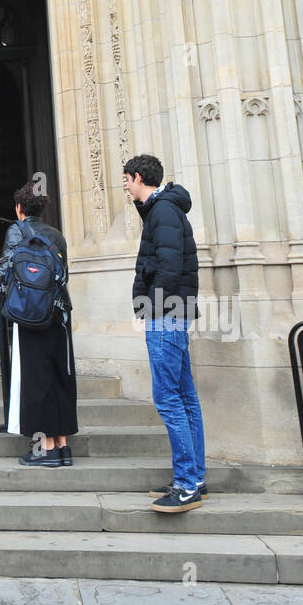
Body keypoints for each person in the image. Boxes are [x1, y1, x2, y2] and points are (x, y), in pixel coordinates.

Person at [123, 154, 206, 513]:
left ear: (138, 178)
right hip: (172, 313)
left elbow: (169, 267)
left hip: (166, 316)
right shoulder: (163, 209)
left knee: (169, 400)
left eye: (127, 180)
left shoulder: (163, 211)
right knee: (184, 397)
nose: (126, 186)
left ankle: (187, 485)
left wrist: (150, 306)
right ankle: (194, 478)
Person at [0, 180, 77, 466]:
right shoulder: (56, 235)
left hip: (30, 315)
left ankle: (45, 449)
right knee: (60, 376)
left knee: (37, 381)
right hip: (58, 314)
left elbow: (6, 276)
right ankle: (62, 446)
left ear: (19, 208)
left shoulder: (17, 230)